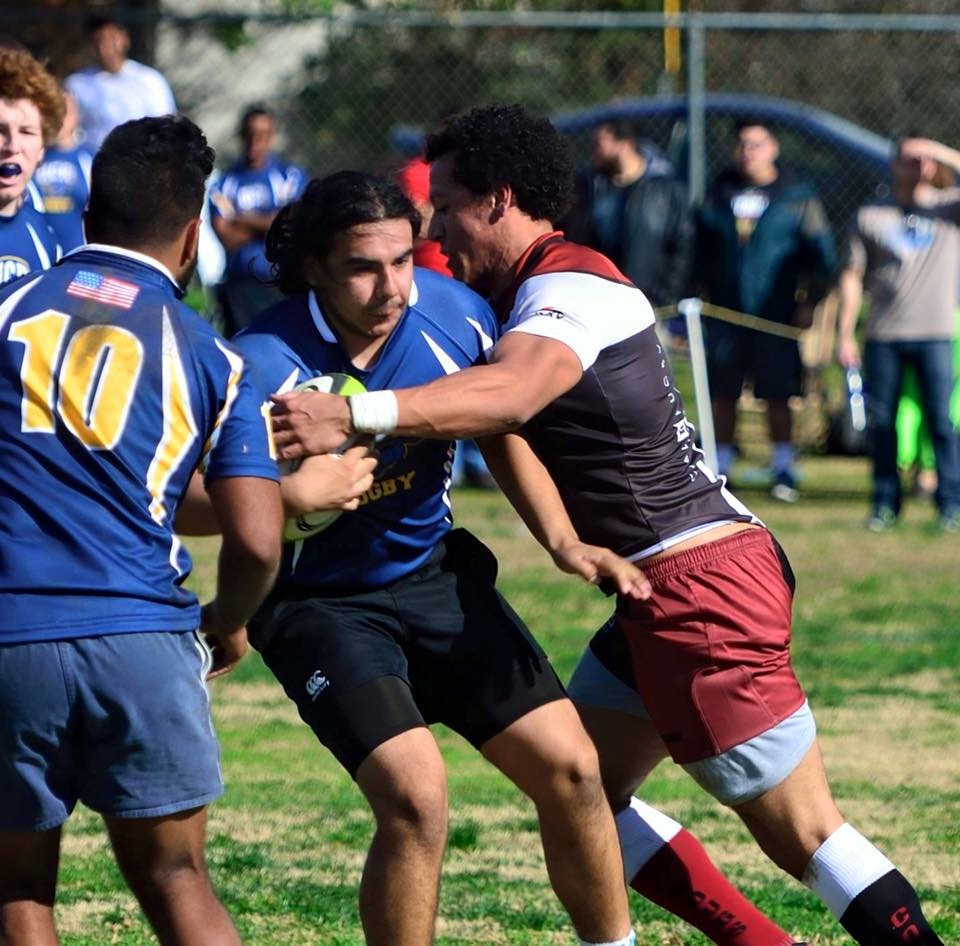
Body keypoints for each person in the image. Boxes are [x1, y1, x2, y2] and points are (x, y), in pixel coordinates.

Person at [271, 104, 946, 946]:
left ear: (499, 201)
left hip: (698, 585)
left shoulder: (565, 291)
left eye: (446, 206)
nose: (436, 231)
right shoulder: (535, 289)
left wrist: (355, 415)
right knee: (579, 786)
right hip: (660, 583)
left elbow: (510, 398)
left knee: (806, 833)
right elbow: (504, 423)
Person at [232, 169, 640, 946]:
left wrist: (562, 541)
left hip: (437, 578)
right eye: (363, 267)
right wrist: (287, 498)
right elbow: (202, 497)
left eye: (403, 259)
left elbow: (498, 425)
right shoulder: (259, 361)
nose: (390, 286)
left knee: (575, 771)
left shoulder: (455, 316)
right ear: (315, 266)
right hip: (321, 605)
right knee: (418, 799)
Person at [0, 115, 283, 946]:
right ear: (194, 237)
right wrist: (227, 620)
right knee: (177, 879)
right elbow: (258, 539)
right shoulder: (214, 355)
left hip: (10, 632)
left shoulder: (8, 311)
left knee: (17, 889)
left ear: (85, 218)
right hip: (143, 636)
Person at [695, 117, 836, 501]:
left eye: (756, 145)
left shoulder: (796, 196)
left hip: (776, 314)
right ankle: (721, 468)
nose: (748, 152)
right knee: (722, 392)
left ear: (773, 148)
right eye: (742, 145)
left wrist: (809, 302)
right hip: (726, 313)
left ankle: (784, 468)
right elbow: (700, 252)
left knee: (777, 393)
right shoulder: (716, 193)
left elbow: (821, 256)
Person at [837, 134, 960, 533]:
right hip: (884, 334)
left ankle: (950, 503)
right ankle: (885, 503)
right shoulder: (873, 214)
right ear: (894, 164)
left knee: (942, 421)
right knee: (882, 422)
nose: (919, 166)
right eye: (910, 159)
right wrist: (844, 334)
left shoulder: (948, 210)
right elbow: (853, 276)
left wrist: (939, 152)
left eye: (925, 160)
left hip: (936, 332)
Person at [393, 153, 496, 490]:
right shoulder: (416, 172)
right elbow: (412, 222)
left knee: (472, 367)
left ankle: (477, 463)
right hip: (425, 284)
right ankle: (453, 465)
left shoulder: (470, 171)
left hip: (458, 282)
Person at [564, 118, 694, 311]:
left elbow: (682, 247)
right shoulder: (591, 187)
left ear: (624, 144)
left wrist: (663, 297)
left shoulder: (665, 189)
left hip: (649, 304)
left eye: (599, 143)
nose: (592, 150)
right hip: (599, 302)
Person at [208, 105, 306, 337]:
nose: (255, 141)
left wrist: (241, 219)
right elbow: (228, 238)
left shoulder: (289, 177)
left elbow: (292, 226)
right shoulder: (224, 184)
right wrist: (270, 222)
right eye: (250, 134)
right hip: (240, 287)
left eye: (262, 135)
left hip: (283, 284)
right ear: (241, 135)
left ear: (272, 136)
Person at [64, 14, 177, 152]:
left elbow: (164, 124)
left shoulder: (150, 79)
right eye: (98, 41)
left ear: (125, 39)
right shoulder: (76, 84)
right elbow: (68, 130)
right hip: (93, 163)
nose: (105, 47)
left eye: (111, 39)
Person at [0, 48, 62, 285]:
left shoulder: (41, 232)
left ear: (42, 149)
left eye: (26, 132)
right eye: (0, 130)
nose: (13, 146)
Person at [33, 90, 92, 252]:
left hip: (79, 258)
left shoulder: (89, 159)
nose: (59, 119)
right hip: (43, 259)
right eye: (53, 112)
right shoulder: (31, 156)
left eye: (65, 112)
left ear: (77, 116)